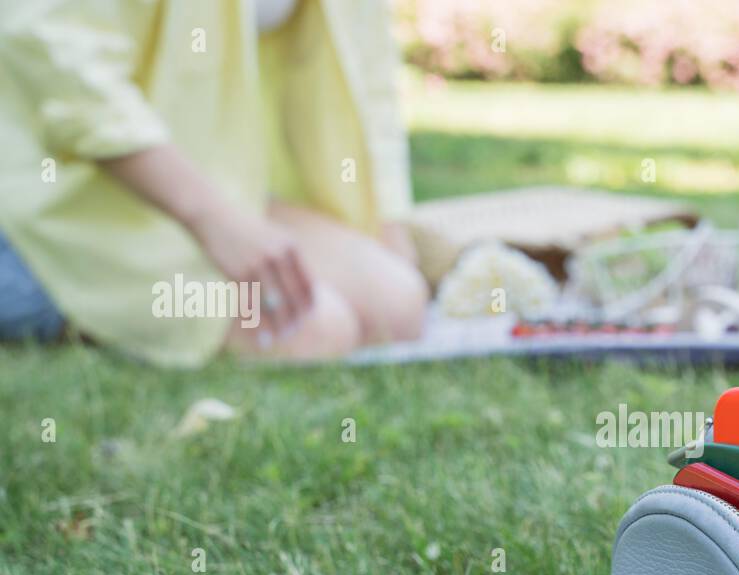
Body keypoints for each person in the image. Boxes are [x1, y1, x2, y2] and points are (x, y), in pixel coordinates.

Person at [0, 0, 428, 366]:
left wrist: (388, 224)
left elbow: (367, 62)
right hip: (56, 188)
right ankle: (41, 295)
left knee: (399, 305)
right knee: (313, 333)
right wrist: (212, 219)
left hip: (210, 177)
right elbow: (53, 55)